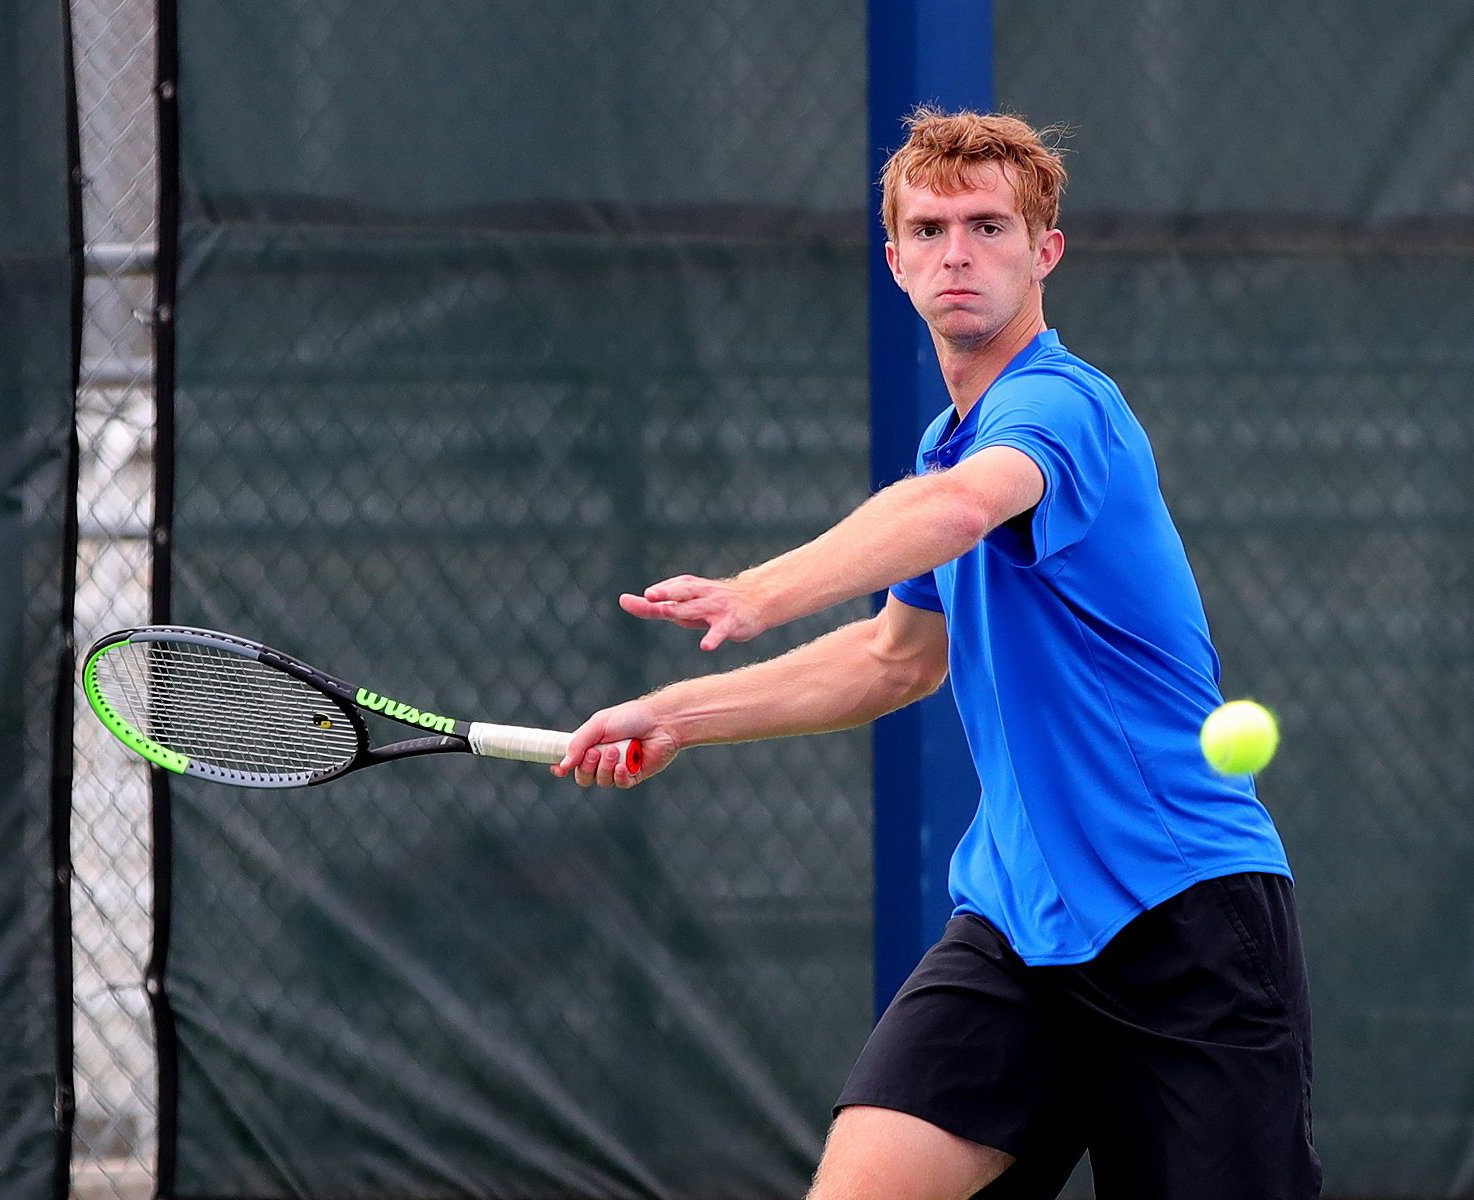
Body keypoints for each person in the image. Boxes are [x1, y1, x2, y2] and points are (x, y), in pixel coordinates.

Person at [555, 108, 1320, 1200]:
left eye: (989, 227)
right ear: (896, 261)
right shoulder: (942, 442)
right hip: (1016, 925)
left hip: (1180, 919)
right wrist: (677, 712)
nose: (958, 253)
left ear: (1044, 251)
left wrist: (759, 590)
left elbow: (963, 510)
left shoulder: (1062, 407)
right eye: (929, 230)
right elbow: (894, 659)